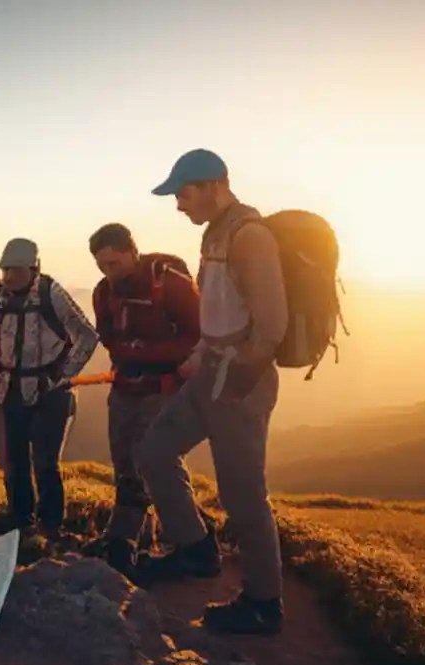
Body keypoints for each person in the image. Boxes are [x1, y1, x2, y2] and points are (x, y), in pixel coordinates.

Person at [135, 148, 288, 635]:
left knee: (243, 495)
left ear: (213, 186)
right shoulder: (215, 234)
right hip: (211, 372)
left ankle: (264, 603)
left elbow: (273, 324)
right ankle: (197, 551)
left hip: (239, 380)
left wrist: (241, 375)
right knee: (155, 451)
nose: (179, 205)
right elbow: (220, 310)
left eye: (183, 194)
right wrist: (200, 355)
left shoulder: (250, 235)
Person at [0, 238, 99, 542]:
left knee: (45, 461)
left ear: (33, 268)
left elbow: (87, 335)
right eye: (5, 270)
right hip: (11, 389)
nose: (9, 276)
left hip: (50, 393)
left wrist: (64, 375)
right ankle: (21, 522)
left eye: (16, 270)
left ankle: (50, 527)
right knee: (14, 459)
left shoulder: (51, 294)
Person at [88, 223, 200, 576]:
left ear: (132, 251)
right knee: (124, 462)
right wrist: (124, 350)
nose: (109, 272)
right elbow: (105, 332)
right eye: (102, 265)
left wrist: (147, 352)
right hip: (124, 386)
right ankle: (132, 538)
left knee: (153, 462)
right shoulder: (103, 291)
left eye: (114, 263)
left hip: (163, 389)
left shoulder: (168, 283)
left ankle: (190, 544)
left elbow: (198, 333)